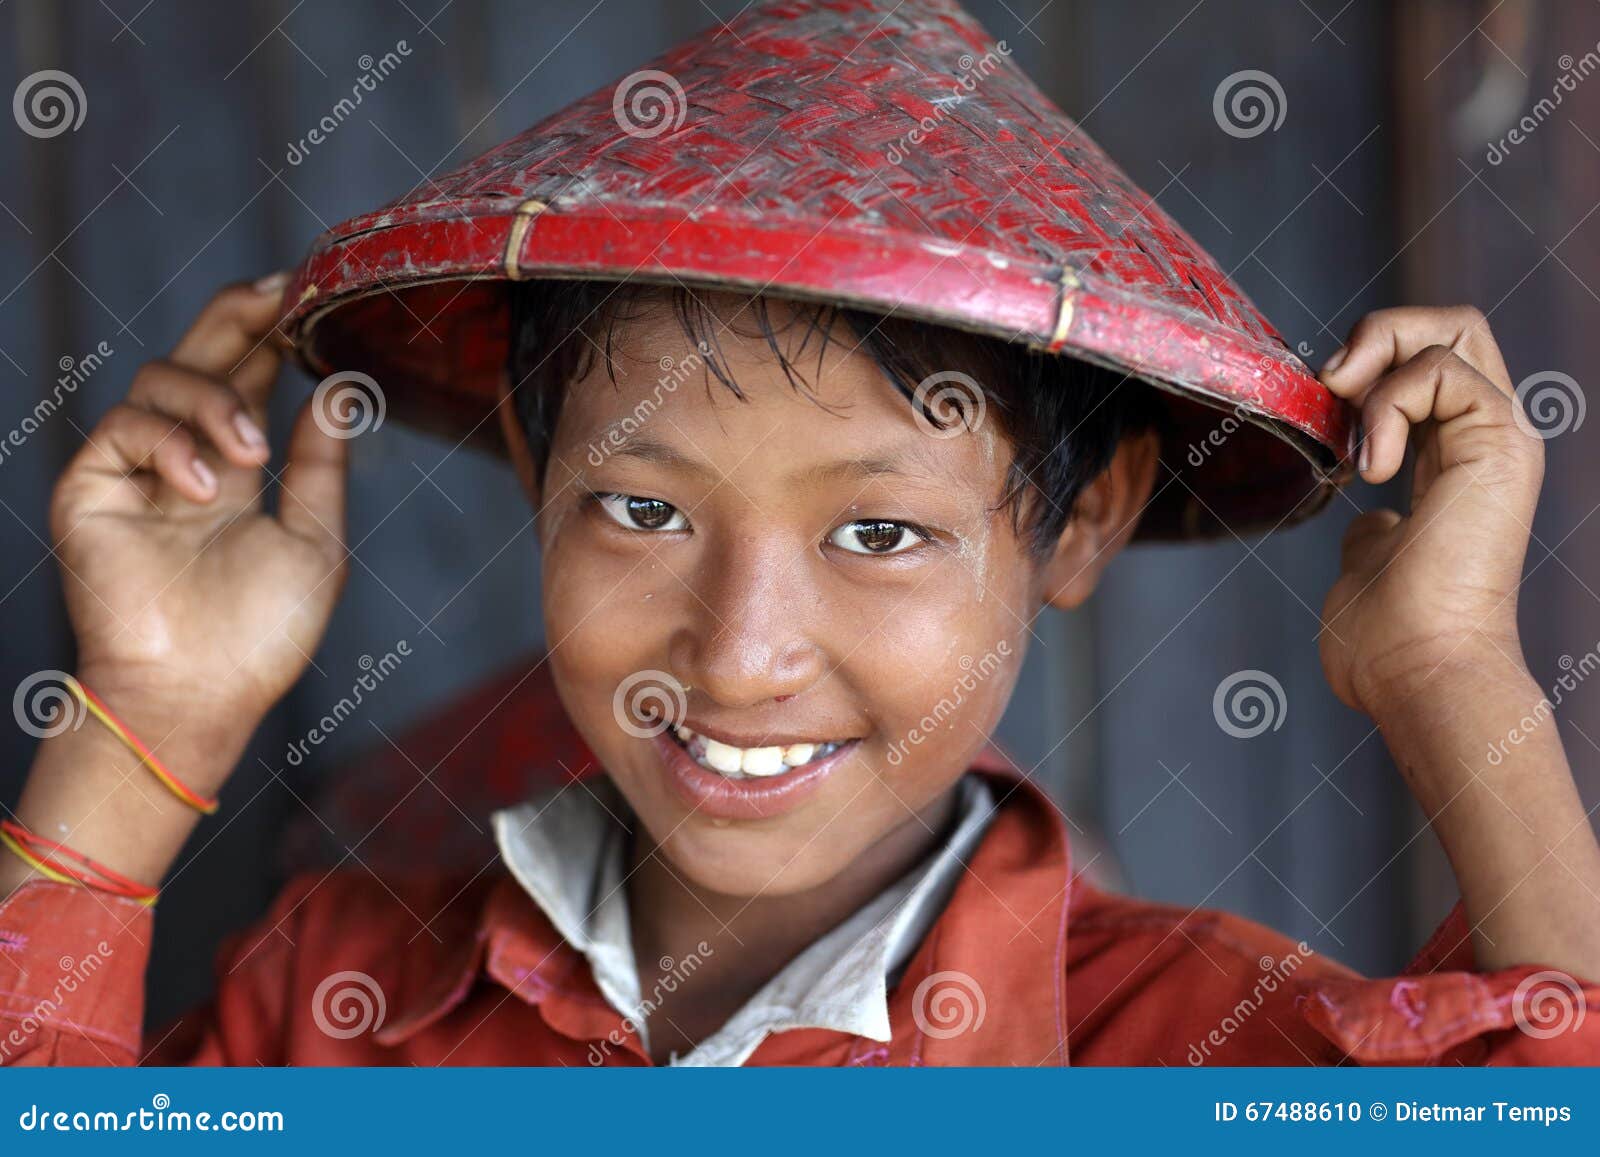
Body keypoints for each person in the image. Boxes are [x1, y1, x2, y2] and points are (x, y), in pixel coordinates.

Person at [3, 0, 1597, 1066]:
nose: (741, 651)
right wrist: (148, 716)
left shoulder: (1197, 1038)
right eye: (642, 507)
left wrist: (1458, 673)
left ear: (1078, 519)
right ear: (526, 459)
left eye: (880, 534)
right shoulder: (338, 1009)